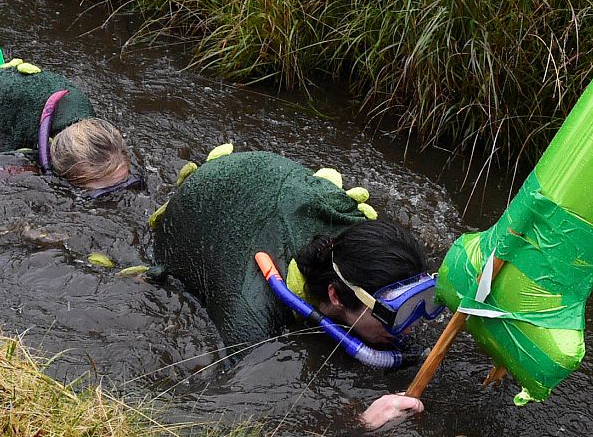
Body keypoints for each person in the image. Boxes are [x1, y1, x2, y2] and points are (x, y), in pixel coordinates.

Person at [151, 148, 431, 362]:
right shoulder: (254, 313)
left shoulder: (371, 246)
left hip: (282, 194)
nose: (407, 330)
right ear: (335, 296)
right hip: (204, 204)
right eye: (394, 314)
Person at [0, 58, 142, 197]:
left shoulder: (93, 131)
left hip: (38, 103)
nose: (118, 194)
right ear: (60, 176)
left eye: (129, 183)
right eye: (100, 194)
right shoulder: (33, 164)